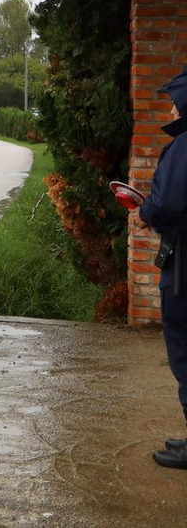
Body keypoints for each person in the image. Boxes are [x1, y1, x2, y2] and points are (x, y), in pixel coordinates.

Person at [139, 66, 187, 470]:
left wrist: (144, 210)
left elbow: (167, 204)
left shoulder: (184, 147)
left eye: (174, 102)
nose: (170, 110)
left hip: (185, 267)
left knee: (184, 350)